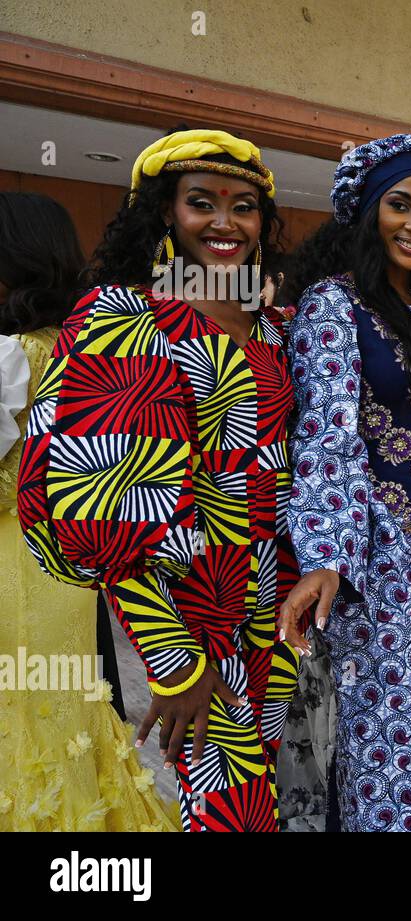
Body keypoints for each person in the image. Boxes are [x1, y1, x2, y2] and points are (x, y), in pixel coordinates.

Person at [18, 129, 299, 831]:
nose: (226, 223)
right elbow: (104, 503)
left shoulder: (273, 327)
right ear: (163, 213)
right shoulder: (128, 316)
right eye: (201, 202)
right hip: (191, 616)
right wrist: (174, 662)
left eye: (244, 207)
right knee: (231, 811)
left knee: (263, 790)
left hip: (274, 607)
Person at [278, 134, 411, 832]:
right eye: (401, 205)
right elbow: (326, 435)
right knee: (384, 747)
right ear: (368, 210)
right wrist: (326, 559)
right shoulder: (331, 307)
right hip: (381, 560)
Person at [0, 191, 177, 831]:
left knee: (26, 710)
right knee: (69, 709)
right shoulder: (87, 344)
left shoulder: (10, 354)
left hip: (15, 567)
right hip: (65, 569)